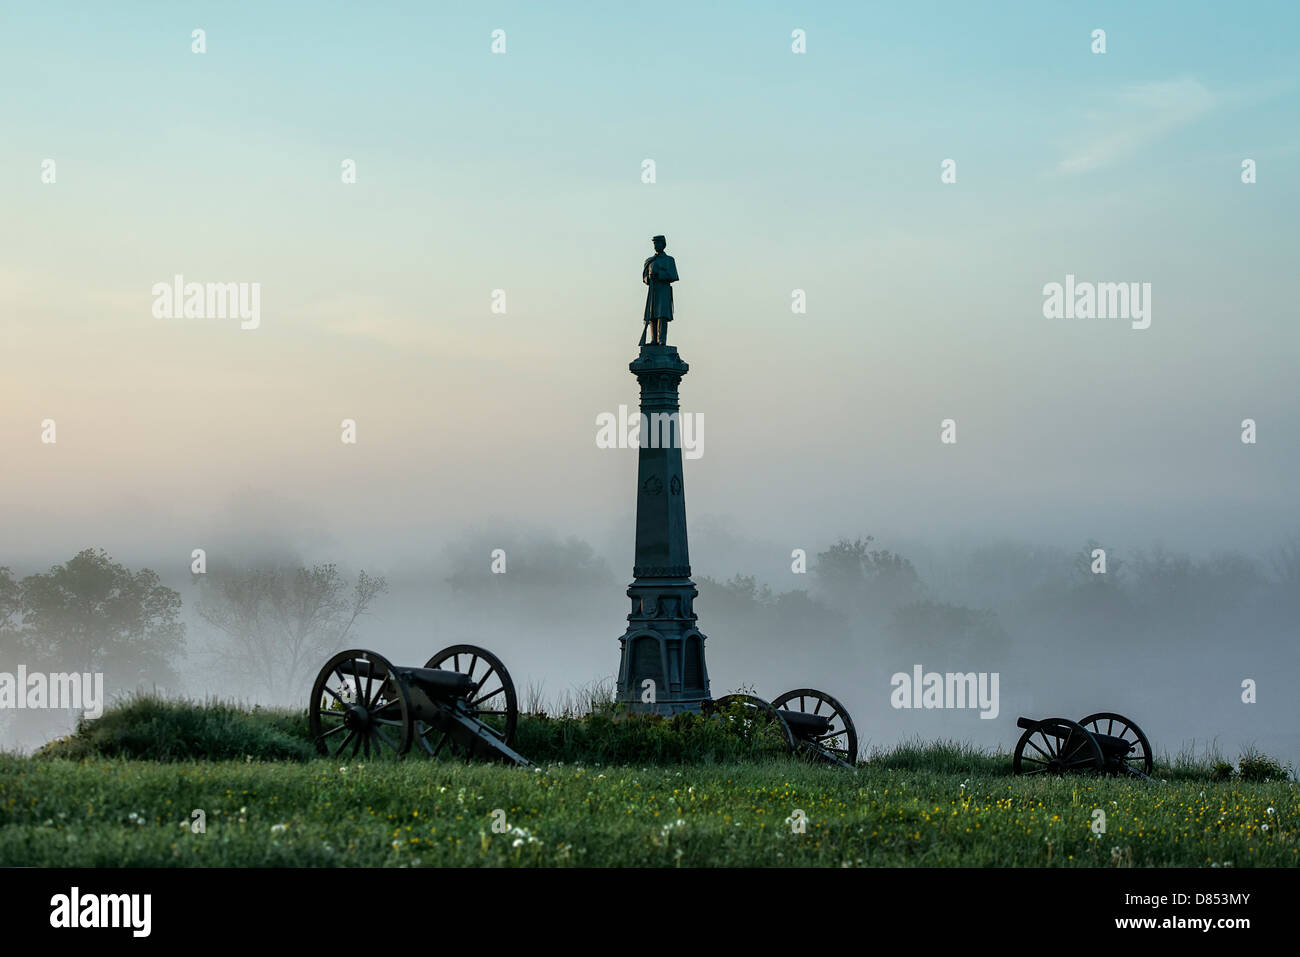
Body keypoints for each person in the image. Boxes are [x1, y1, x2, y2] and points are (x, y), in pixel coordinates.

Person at [640, 235, 678, 345]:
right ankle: (653, 340)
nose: (656, 245)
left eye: (658, 243)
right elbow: (644, 277)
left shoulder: (669, 260)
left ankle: (661, 339)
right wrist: (648, 278)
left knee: (662, 315)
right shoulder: (649, 261)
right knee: (652, 315)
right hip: (653, 290)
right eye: (654, 243)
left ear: (663, 244)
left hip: (664, 290)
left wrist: (659, 274)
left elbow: (673, 275)